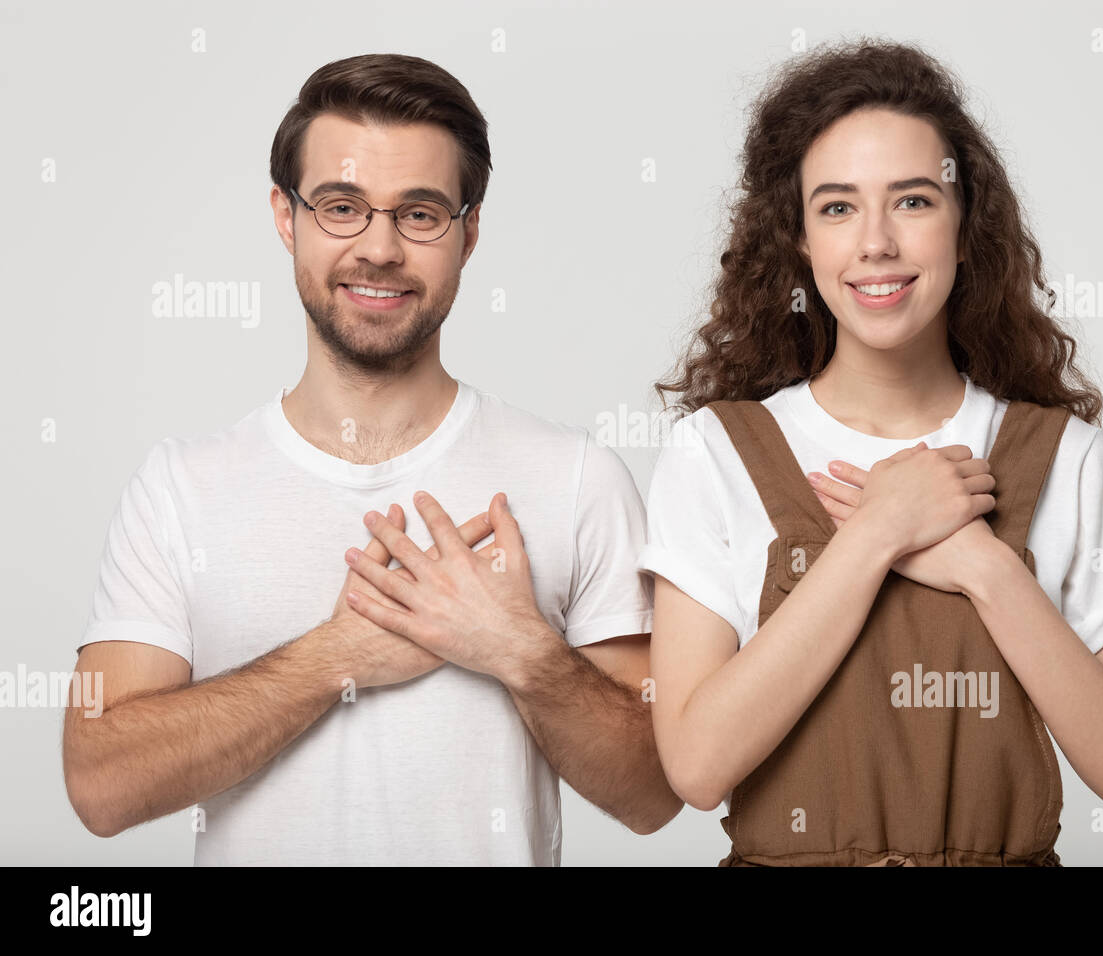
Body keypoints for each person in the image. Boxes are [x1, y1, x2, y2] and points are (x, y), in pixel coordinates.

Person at [64, 53, 681, 865]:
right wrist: (335, 658)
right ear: (287, 218)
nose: (380, 249)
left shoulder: (575, 478)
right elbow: (100, 784)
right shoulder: (180, 486)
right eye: (342, 207)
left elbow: (655, 793)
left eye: (420, 214)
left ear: (470, 231)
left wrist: (521, 652)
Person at [640, 38, 1103, 866]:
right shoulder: (713, 454)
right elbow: (697, 766)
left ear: (967, 231)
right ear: (800, 245)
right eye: (838, 207)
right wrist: (874, 536)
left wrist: (987, 567)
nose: (877, 243)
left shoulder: (1064, 459)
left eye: (915, 201)